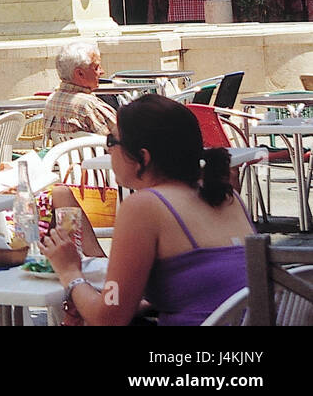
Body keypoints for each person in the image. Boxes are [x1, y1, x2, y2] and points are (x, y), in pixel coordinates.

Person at [40, 95, 254, 326]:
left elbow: (108, 318)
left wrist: (70, 273)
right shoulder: (225, 195)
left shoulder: (145, 206)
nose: (108, 150)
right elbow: (210, 285)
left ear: (143, 157)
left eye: (112, 141)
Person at [42, 40, 117, 143]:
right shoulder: (89, 106)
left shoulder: (51, 101)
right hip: (97, 158)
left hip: (62, 157)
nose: (102, 72)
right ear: (80, 74)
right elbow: (123, 138)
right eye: (96, 67)